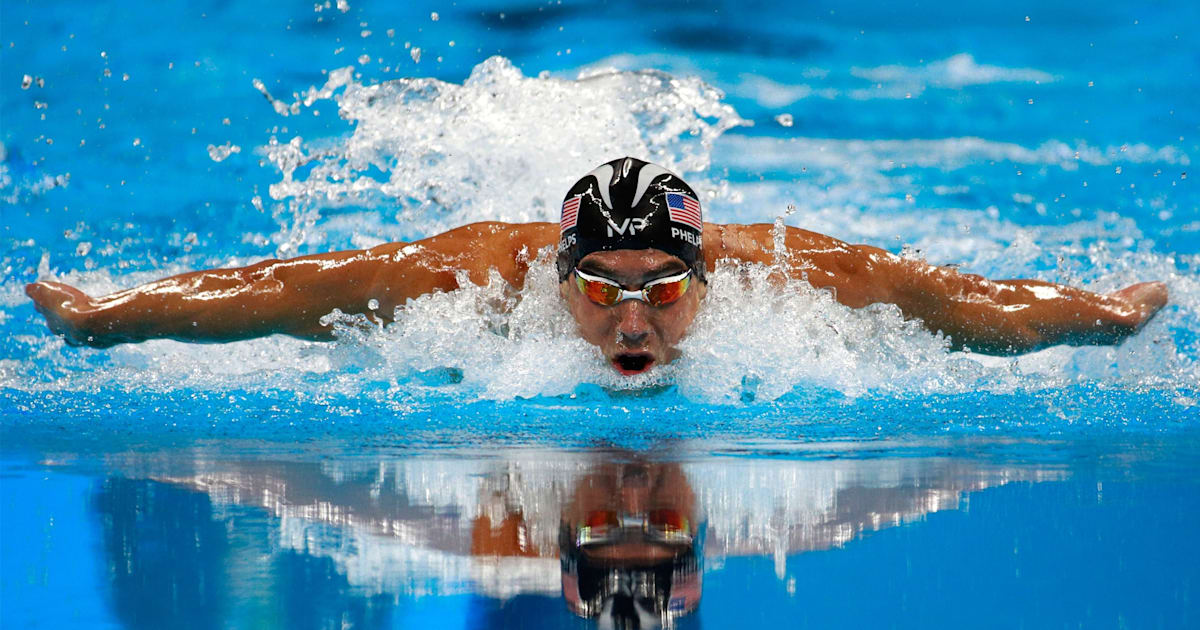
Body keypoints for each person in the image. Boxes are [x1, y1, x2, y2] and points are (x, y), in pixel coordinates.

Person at [26, 157, 1168, 377]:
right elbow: (285, 290)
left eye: (663, 292)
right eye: (601, 290)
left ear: (706, 280)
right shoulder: (469, 278)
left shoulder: (793, 276)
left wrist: (1102, 316)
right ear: (556, 278)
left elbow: (963, 302)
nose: (632, 325)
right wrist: (110, 317)